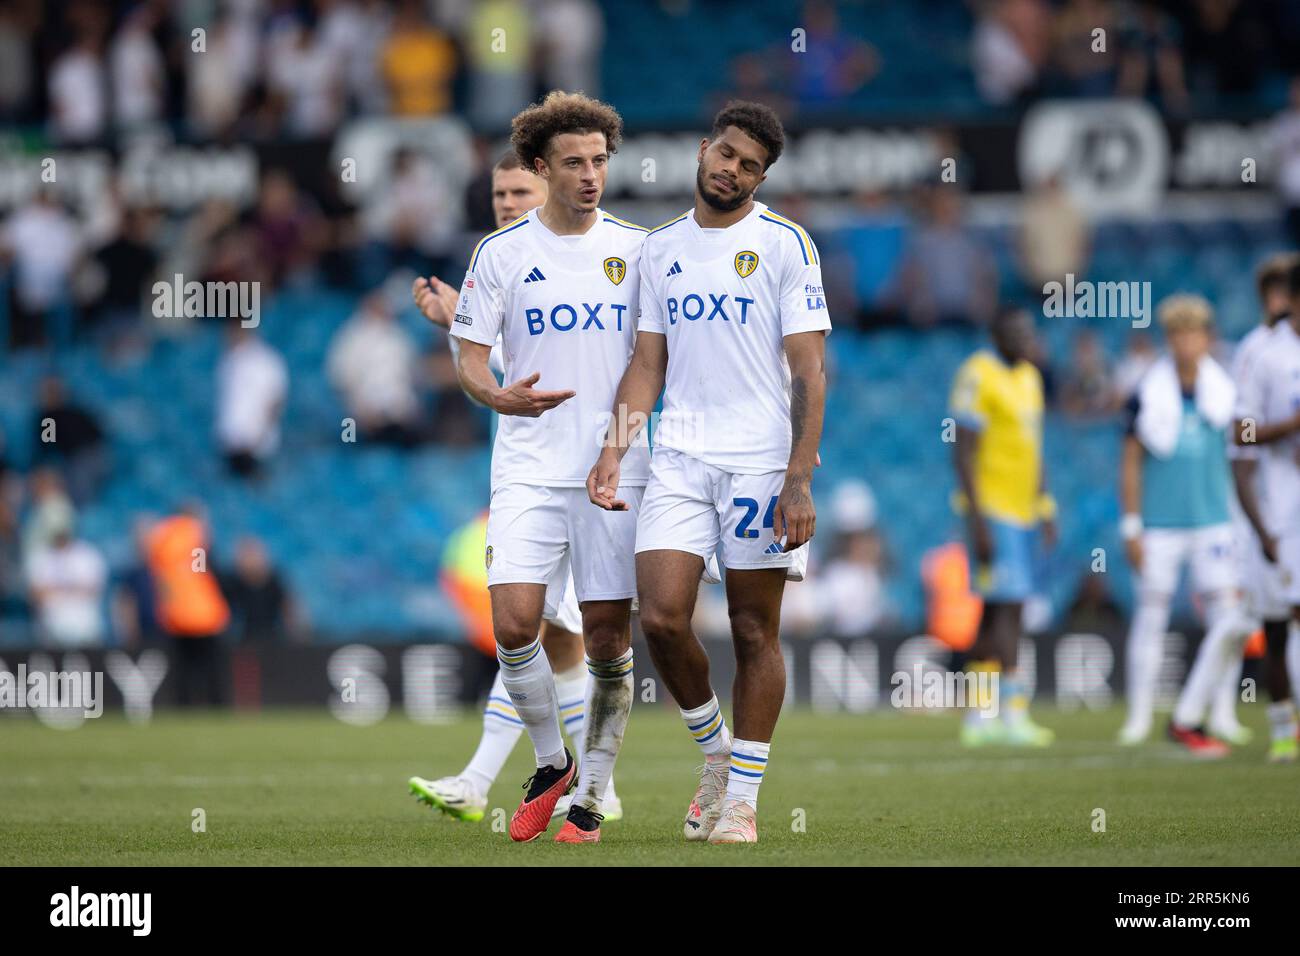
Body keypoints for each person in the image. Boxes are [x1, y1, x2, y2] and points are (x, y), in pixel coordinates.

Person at [591, 101, 829, 844]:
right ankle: (717, 754)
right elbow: (647, 364)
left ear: (762, 178)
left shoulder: (785, 244)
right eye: (726, 154)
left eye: (750, 166)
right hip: (680, 458)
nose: (733, 170)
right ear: (703, 150)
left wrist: (798, 477)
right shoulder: (659, 248)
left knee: (753, 628)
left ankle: (743, 801)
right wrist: (614, 448)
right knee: (661, 616)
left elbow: (809, 371)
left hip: (760, 462)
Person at [445, 92, 651, 845]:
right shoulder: (500, 254)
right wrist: (495, 395)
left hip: (614, 472)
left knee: (607, 640)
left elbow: (652, 365)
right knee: (512, 625)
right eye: (574, 162)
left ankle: (592, 796)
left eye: (599, 160)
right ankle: (551, 761)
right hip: (528, 467)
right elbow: (470, 357)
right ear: (541, 167)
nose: (591, 174)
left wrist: (616, 448)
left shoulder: (640, 250)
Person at [407, 149, 624, 825]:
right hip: (528, 472)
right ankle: (558, 782)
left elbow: (568, 360)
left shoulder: (602, 255)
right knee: (536, 633)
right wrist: (457, 325)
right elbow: (500, 372)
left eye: (519, 192)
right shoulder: (497, 263)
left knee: (573, 638)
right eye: (499, 193)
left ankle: (549, 782)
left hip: (595, 475)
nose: (505, 203)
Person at [1118, 295, 1250, 755]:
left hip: (1214, 521)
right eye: (1178, 333)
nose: (1187, 342)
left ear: (1207, 338)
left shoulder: (1228, 392)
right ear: (1169, 339)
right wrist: (1131, 525)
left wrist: (1242, 523)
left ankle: (1223, 712)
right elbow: (1130, 461)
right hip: (1159, 524)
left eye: (1194, 332)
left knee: (1225, 619)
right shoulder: (1145, 392)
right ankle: (1139, 715)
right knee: (1150, 616)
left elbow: (1244, 451)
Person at [950, 308, 1057, 747]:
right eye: (1016, 332)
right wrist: (977, 520)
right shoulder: (978, 374)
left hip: (1024, 510)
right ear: (996, 336)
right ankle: (1013, 713)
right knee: (1010, 607)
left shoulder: (1030, 378)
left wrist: (1046, 505)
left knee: (995, 611)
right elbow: (962, 450)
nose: (1026, 339)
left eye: (1029, 332)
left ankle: (978, 716)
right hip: (993, 510)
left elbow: (1034, 448)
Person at [1234, 261, 1300, 761]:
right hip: (1281, 508)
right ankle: (1283, 728)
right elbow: (1242, 432)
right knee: (1280, 624)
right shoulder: (1264, 355)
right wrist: (1290, 426)